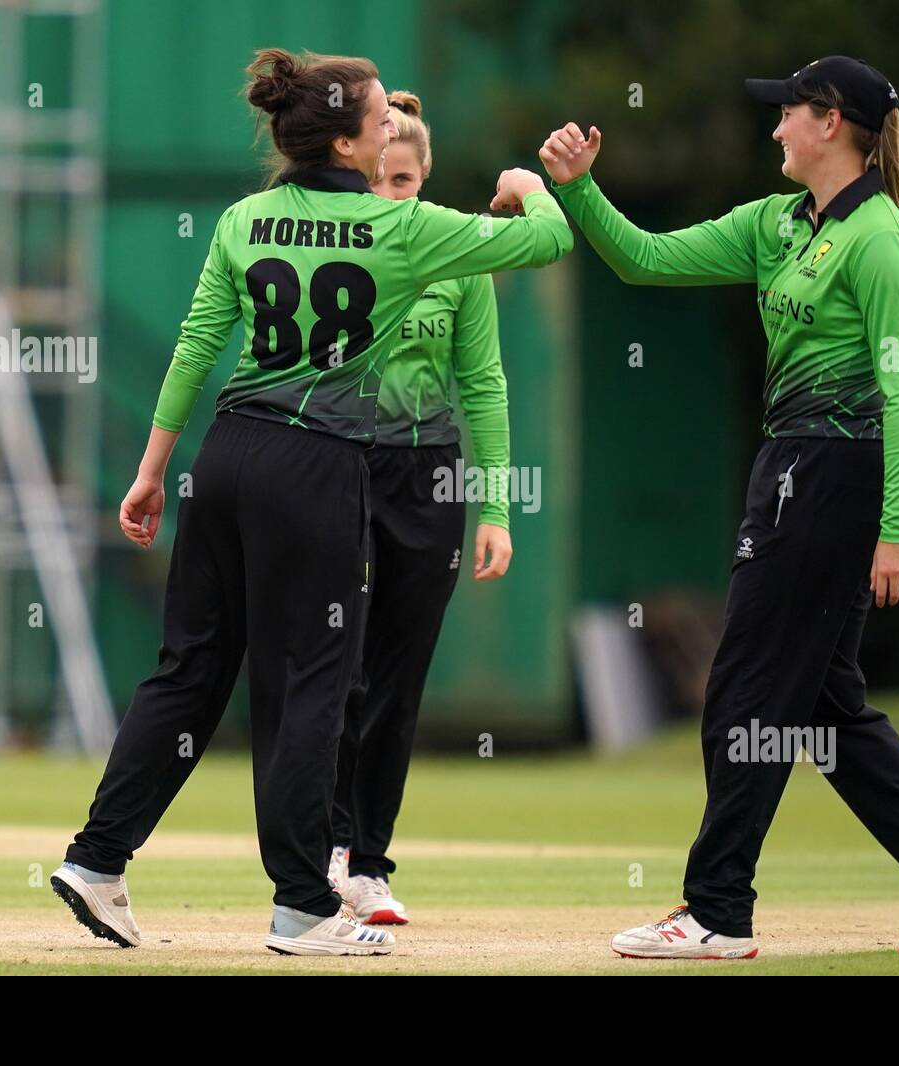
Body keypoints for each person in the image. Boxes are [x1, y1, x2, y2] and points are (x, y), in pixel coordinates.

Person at [50, 47, 571, 958]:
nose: (387, 130)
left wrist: (147, 469)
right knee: (311, 689)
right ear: (343, 139)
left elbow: (196, 345)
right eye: (375, 121)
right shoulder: (400, 228)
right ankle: (302, 905)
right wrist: (533, 185)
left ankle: (98, 858)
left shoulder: (244, 217)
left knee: (188, 669)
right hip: (316, 466)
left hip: (226, 456)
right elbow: (550, 241)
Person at [539, 56, 899, 959]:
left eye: (786, 114)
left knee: (746, 694)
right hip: (791, 469)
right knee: (821, 706)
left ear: (830, 123)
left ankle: (718, 909)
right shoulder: (775, 223)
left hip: (834, 478)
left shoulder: (880, 241)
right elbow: (644, 260)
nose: (774, 129)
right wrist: (581, 189)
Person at [327, 91, 515, 926]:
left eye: (402, 180)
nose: (389, 195)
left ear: (425, 177)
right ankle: (323, 847)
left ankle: (369, 864)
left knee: (399, 678)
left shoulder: (456, 254)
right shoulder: (336, 248)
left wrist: (497, 507)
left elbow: (484, 382)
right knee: (338, 664)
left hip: (427, 471)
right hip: (338, 461)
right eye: (375, 179)